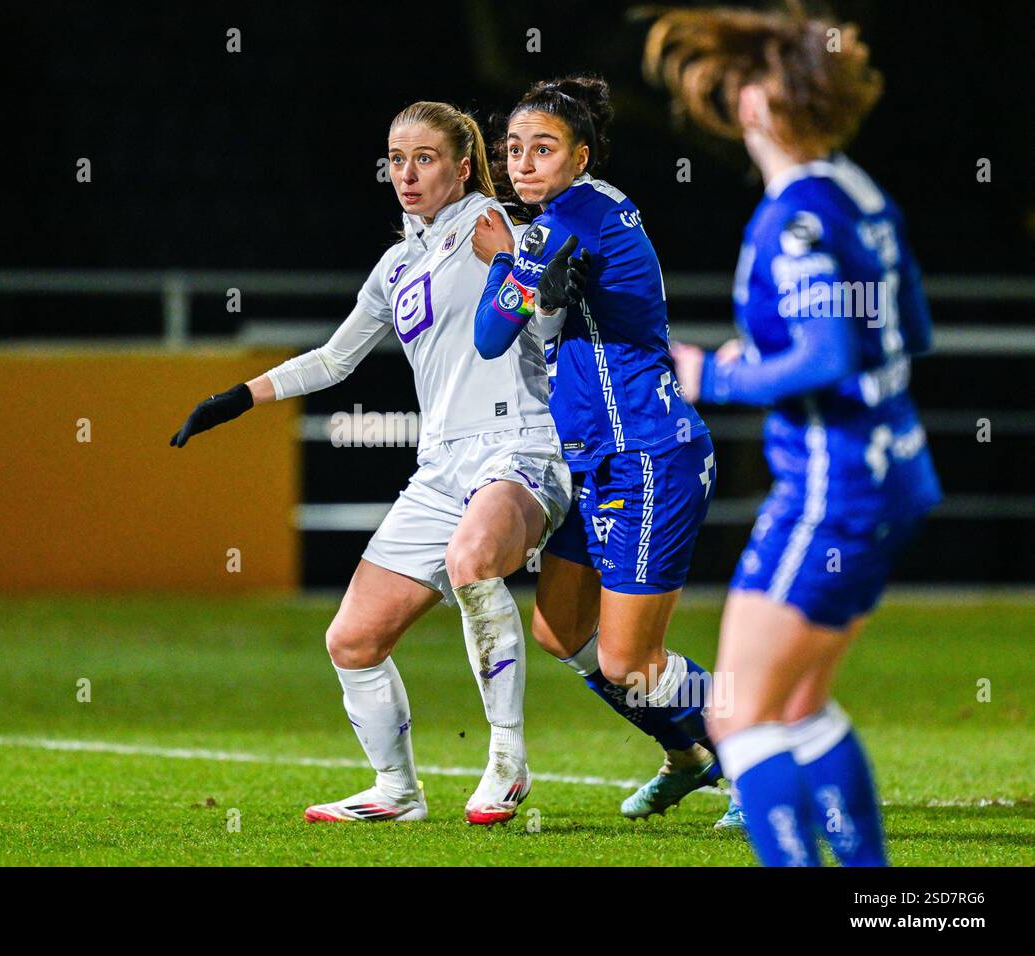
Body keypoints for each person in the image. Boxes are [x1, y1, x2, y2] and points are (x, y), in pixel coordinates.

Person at [172, 101, 571, 825]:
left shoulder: (496, 226)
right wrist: (238, 397)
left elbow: (549, 317)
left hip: (521, 447)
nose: (407, 174)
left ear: (461, 165)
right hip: (441, 466)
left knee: (473, 561)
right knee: (352, 641)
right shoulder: (398, 264)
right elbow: (333, 358)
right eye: (397, 159)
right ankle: (397, 790)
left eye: (425, 158)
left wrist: (515, 264)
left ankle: (508, 761)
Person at [645, 5, 942, 865]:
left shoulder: (797, 217)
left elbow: (826, 352)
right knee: (802, 703)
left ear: (751, 108)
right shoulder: (859, 192)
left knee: (738, 711)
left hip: (833, 488)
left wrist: (716, 374)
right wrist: (784, 349)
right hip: (897, 475)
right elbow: (908, 329)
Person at [471, 76, 736, 829]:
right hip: (600, 460)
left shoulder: (567, 221)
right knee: (559, 630)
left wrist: (505, 260)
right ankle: (687, 756)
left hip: (646, 455)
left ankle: (756, 753)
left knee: (630, 662)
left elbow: (493, 337)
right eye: (513, 149)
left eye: (543, 148)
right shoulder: (579, 210)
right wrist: (526, 265)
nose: (523, 162)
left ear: (579, 155)